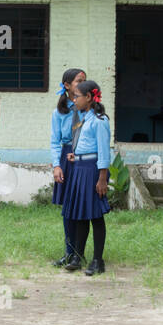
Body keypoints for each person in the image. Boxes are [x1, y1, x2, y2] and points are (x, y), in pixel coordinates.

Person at [62, 80, 111, 276]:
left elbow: (103, 150)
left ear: (89, 97)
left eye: (77, 96)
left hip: (93, 171)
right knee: (81, 214)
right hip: (79, 168)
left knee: (95, 216)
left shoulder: (100, 120)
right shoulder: (85, 118)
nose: (74, 100)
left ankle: (98, 260)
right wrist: (77, 156)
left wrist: (102, 178)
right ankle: (77, 256)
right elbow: (86, 145)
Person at [50, 67, 87, 266]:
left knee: (82, 206)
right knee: (68, 208)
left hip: (84, 157)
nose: (83, 84)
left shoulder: (89, 109)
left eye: (85, 80)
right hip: (66, 158)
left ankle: (79, 254)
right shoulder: (59, 112)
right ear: (67, 85)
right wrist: (57, 165)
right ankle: (69, 251)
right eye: (78, 81)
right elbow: (55, 141)